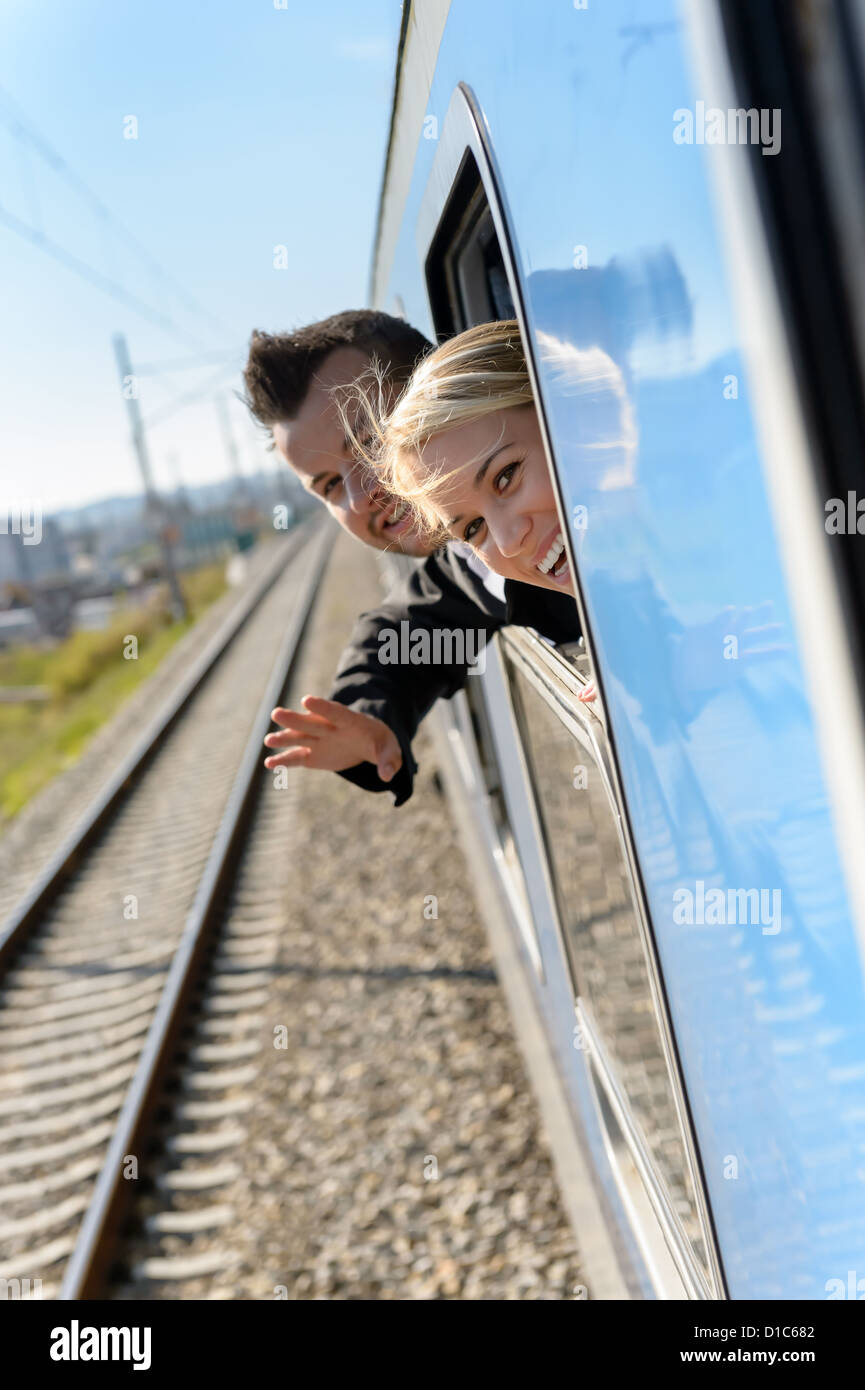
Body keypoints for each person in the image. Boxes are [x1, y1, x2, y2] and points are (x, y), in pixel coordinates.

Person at [243, 312, 583, 805]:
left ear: (439, 383)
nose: (359, 497)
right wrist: (370, 718)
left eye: (371, 443)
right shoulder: (481, 560)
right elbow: (406, 635)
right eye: (330, 486)